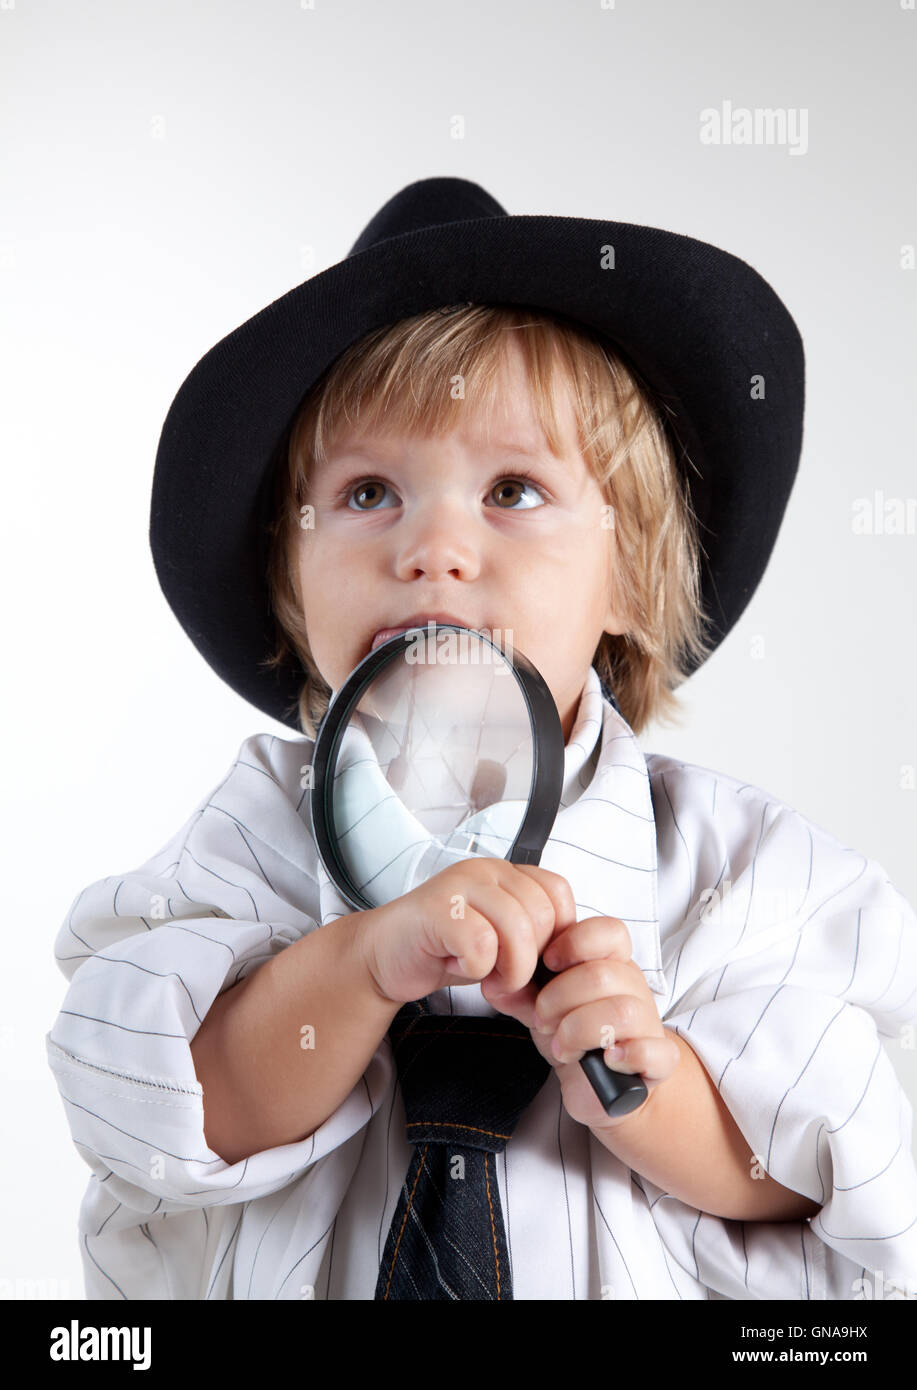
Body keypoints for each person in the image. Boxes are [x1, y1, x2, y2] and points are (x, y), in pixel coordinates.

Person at [46, 178, 917, 1300]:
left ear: (628, 571)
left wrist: (648, 1087)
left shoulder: (742, 879)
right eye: (367, 493)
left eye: (511, 488)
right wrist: (358, 964)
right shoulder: (245, 844)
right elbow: (152, 1098)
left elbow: (822, 1161)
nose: (434, 545)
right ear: (290, 584)